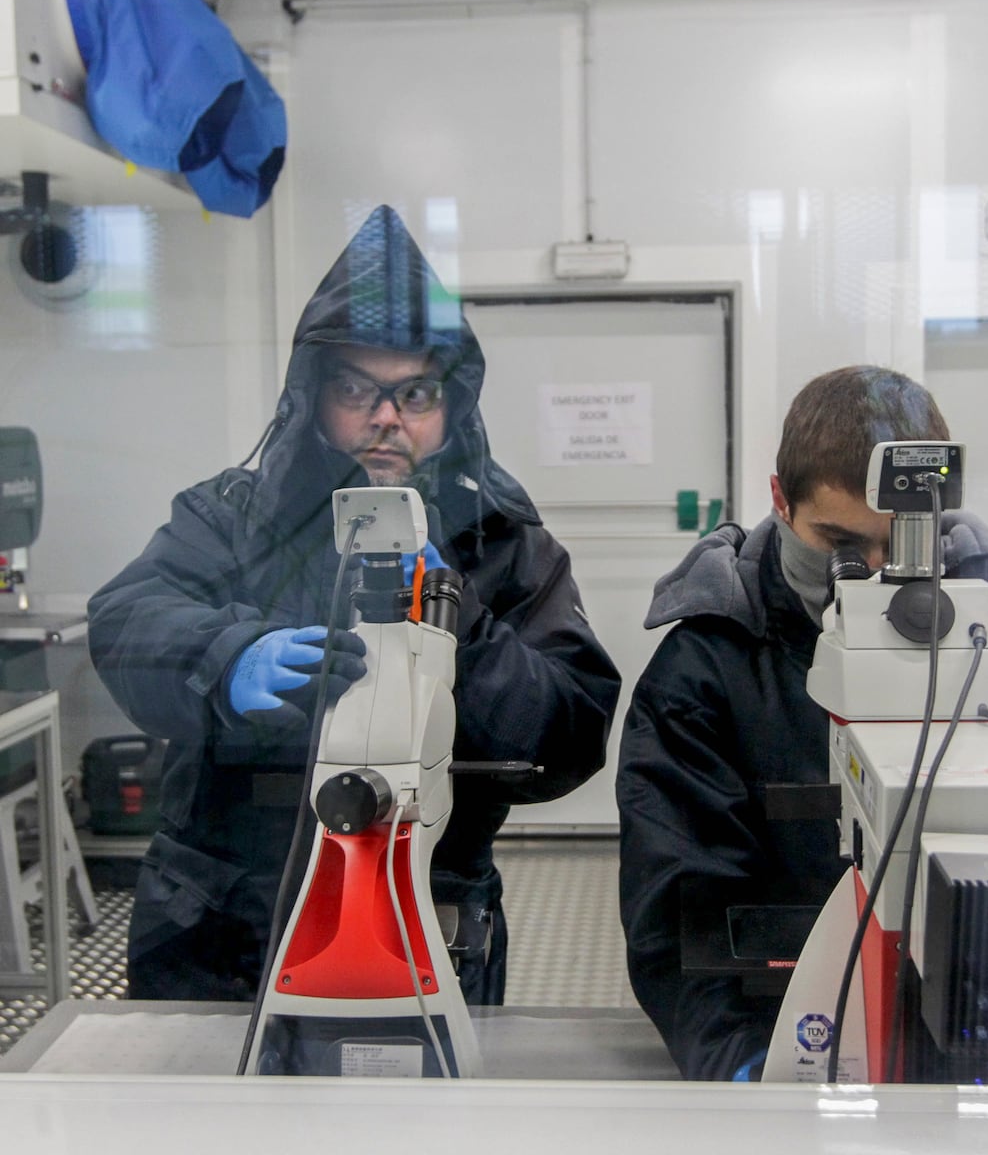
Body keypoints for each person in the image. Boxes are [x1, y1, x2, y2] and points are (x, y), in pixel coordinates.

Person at [88, 206, 620, 1004]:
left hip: (427, 913)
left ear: (453, 404)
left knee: (420, 1129)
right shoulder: (230, 516)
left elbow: (569, 734)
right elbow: (125, 620)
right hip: (225, 920)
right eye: (355, 389)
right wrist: (226, 657)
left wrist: (462, 627)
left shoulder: (502, 541)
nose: (385, 418)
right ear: (313, 393)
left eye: (415, 393)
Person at [616, 364, 988, 1081]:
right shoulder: (707, 666)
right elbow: (676, 919)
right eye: (841, 546)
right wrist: (749, 1081)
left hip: (984, 1014)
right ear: (780, 502)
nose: (878, 576)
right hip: (790, 1016)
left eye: (905, 543)